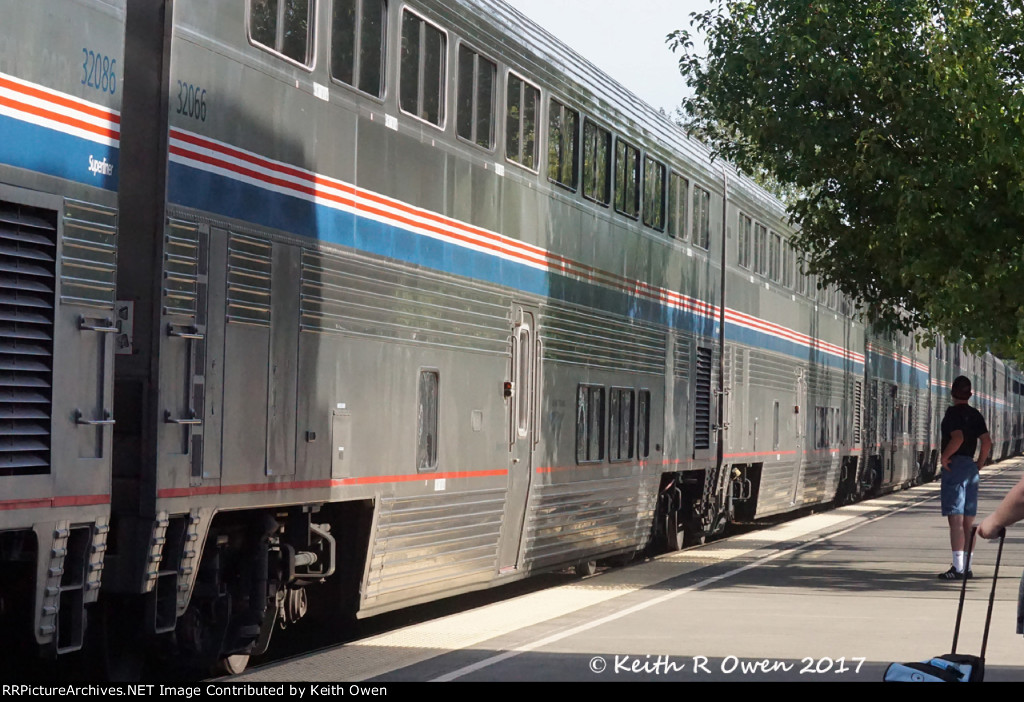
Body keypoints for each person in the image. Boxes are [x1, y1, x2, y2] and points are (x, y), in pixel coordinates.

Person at [937, 375, 991, 580]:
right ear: (970, 394)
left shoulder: (952, 414)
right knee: (969, 522)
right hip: (970, 468)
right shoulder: (975, 415)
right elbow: (987, 441)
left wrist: (945, 457)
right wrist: (980, 463)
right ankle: (967, 566)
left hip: (956, 467)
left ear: (952, 393)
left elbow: (957, 438)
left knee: (956, 520)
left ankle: (957, 568)